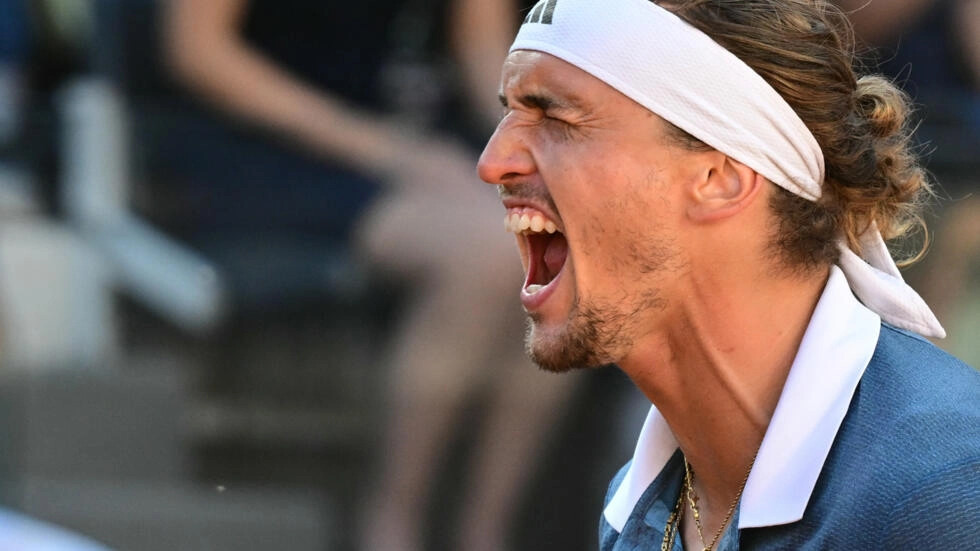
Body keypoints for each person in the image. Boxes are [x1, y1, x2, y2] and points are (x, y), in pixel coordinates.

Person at [477, 0, 980, 549]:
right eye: (510, 112)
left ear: (721, 178)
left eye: (555, 117)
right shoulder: (639, 509)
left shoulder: (944, 490)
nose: (493, 160)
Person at [163, 1, 578, 550]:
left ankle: (485, 533)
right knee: (487, 254)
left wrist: (537, 138)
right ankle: (391, 526)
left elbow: (479, 47)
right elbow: (198, 53)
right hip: (266, 148)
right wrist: (386, 150)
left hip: (411, 145)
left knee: (558, 251)